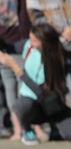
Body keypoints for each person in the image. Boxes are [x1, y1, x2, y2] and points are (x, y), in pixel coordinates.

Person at [0, 23, 71, 144]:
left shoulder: (58, 56)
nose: (31, 43)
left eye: (34, 40)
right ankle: (27, 130)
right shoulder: (28, 46)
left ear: (46, 42)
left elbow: (41, 92)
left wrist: (16, 68)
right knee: (21, 106)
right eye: (30, 39)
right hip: (33, 105)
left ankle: (55, 128)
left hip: (53, 105)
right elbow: (11, 47)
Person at [27, 0, 71, 137]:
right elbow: (36, 19)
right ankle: (56, 126)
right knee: (55, 89)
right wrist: (56, 33)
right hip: (53, 49)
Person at [0, 0, 31, 140]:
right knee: (10, 88)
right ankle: (18, 128)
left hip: (19, 43)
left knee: (21, 86)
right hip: (3, 47)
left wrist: (26, 39)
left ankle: (24, 127)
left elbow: (24, 16)